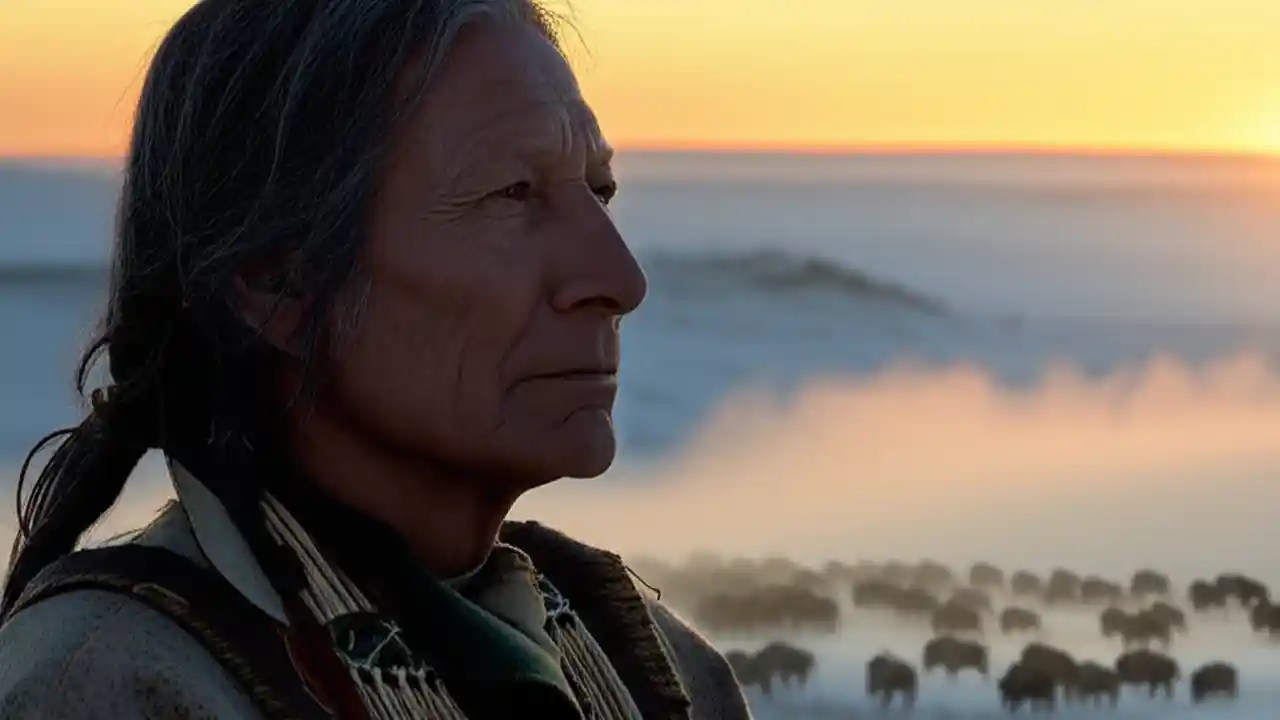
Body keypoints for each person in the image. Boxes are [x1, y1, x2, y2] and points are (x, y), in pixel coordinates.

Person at [0, 1, 751, 718]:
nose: (620, 281)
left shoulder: (663, 674)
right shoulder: (106, 686)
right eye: (513, 194)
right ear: (278, 282)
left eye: (600, 191)